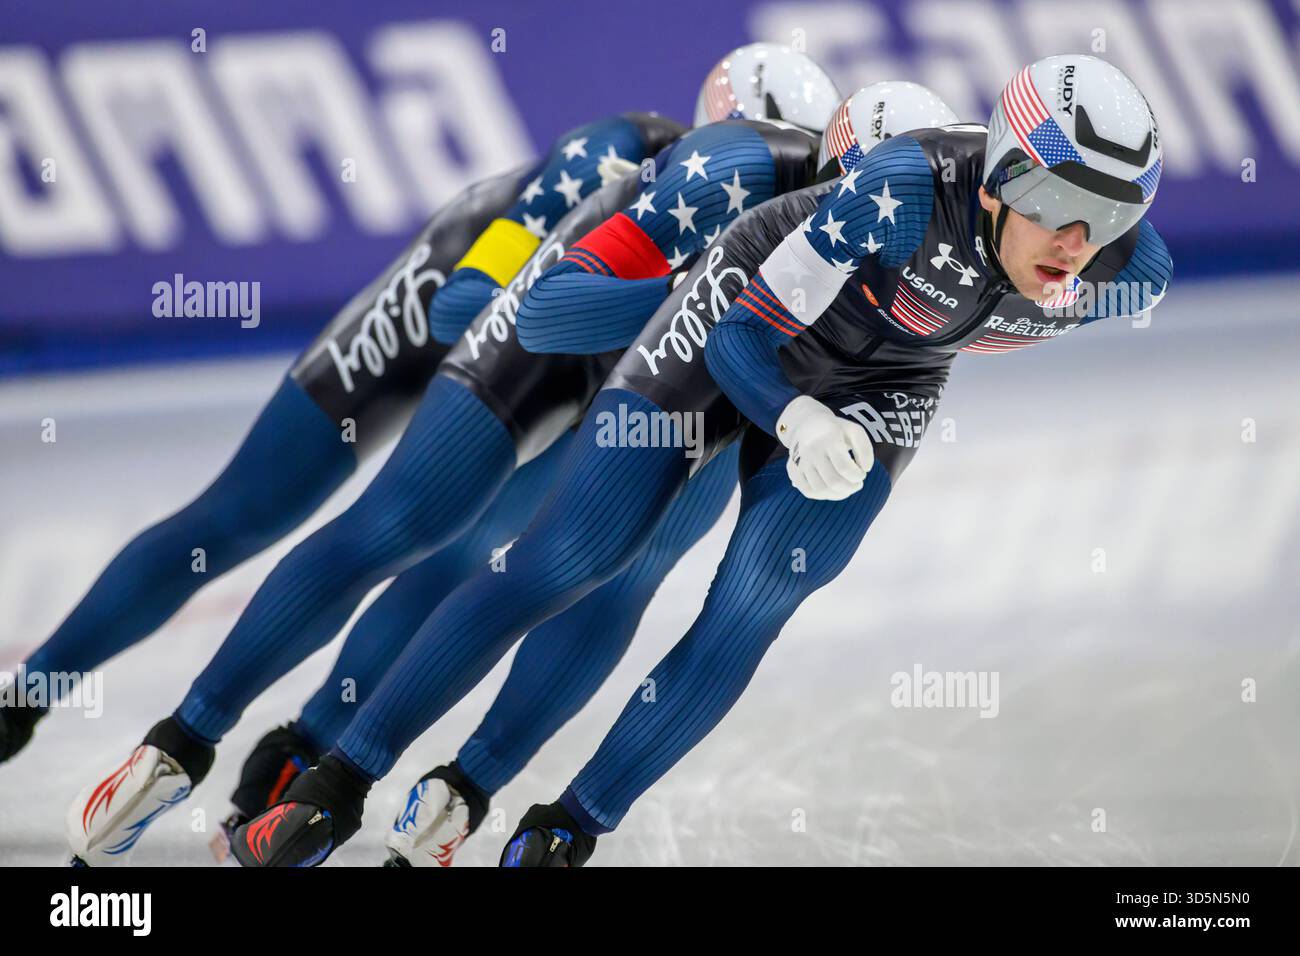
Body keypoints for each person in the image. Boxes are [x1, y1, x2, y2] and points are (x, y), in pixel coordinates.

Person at [65, 44, 843, 866]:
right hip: (490, 304)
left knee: (537, 559)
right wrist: (691, 300)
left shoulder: (795, 232)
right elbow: (470, 300)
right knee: (337, 518)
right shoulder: (625, 151)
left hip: (634, 359)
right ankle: (157, 719)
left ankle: (298, 750)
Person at [229, 76, 970, 868]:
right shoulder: (694, 166)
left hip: (793, 372)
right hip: (634, 356)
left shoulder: (973, 246)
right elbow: (509, 309)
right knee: (508, 550)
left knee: (660, 582)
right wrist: (690, 294)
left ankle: (485, 794)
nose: (860, 236)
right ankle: (321, 759)